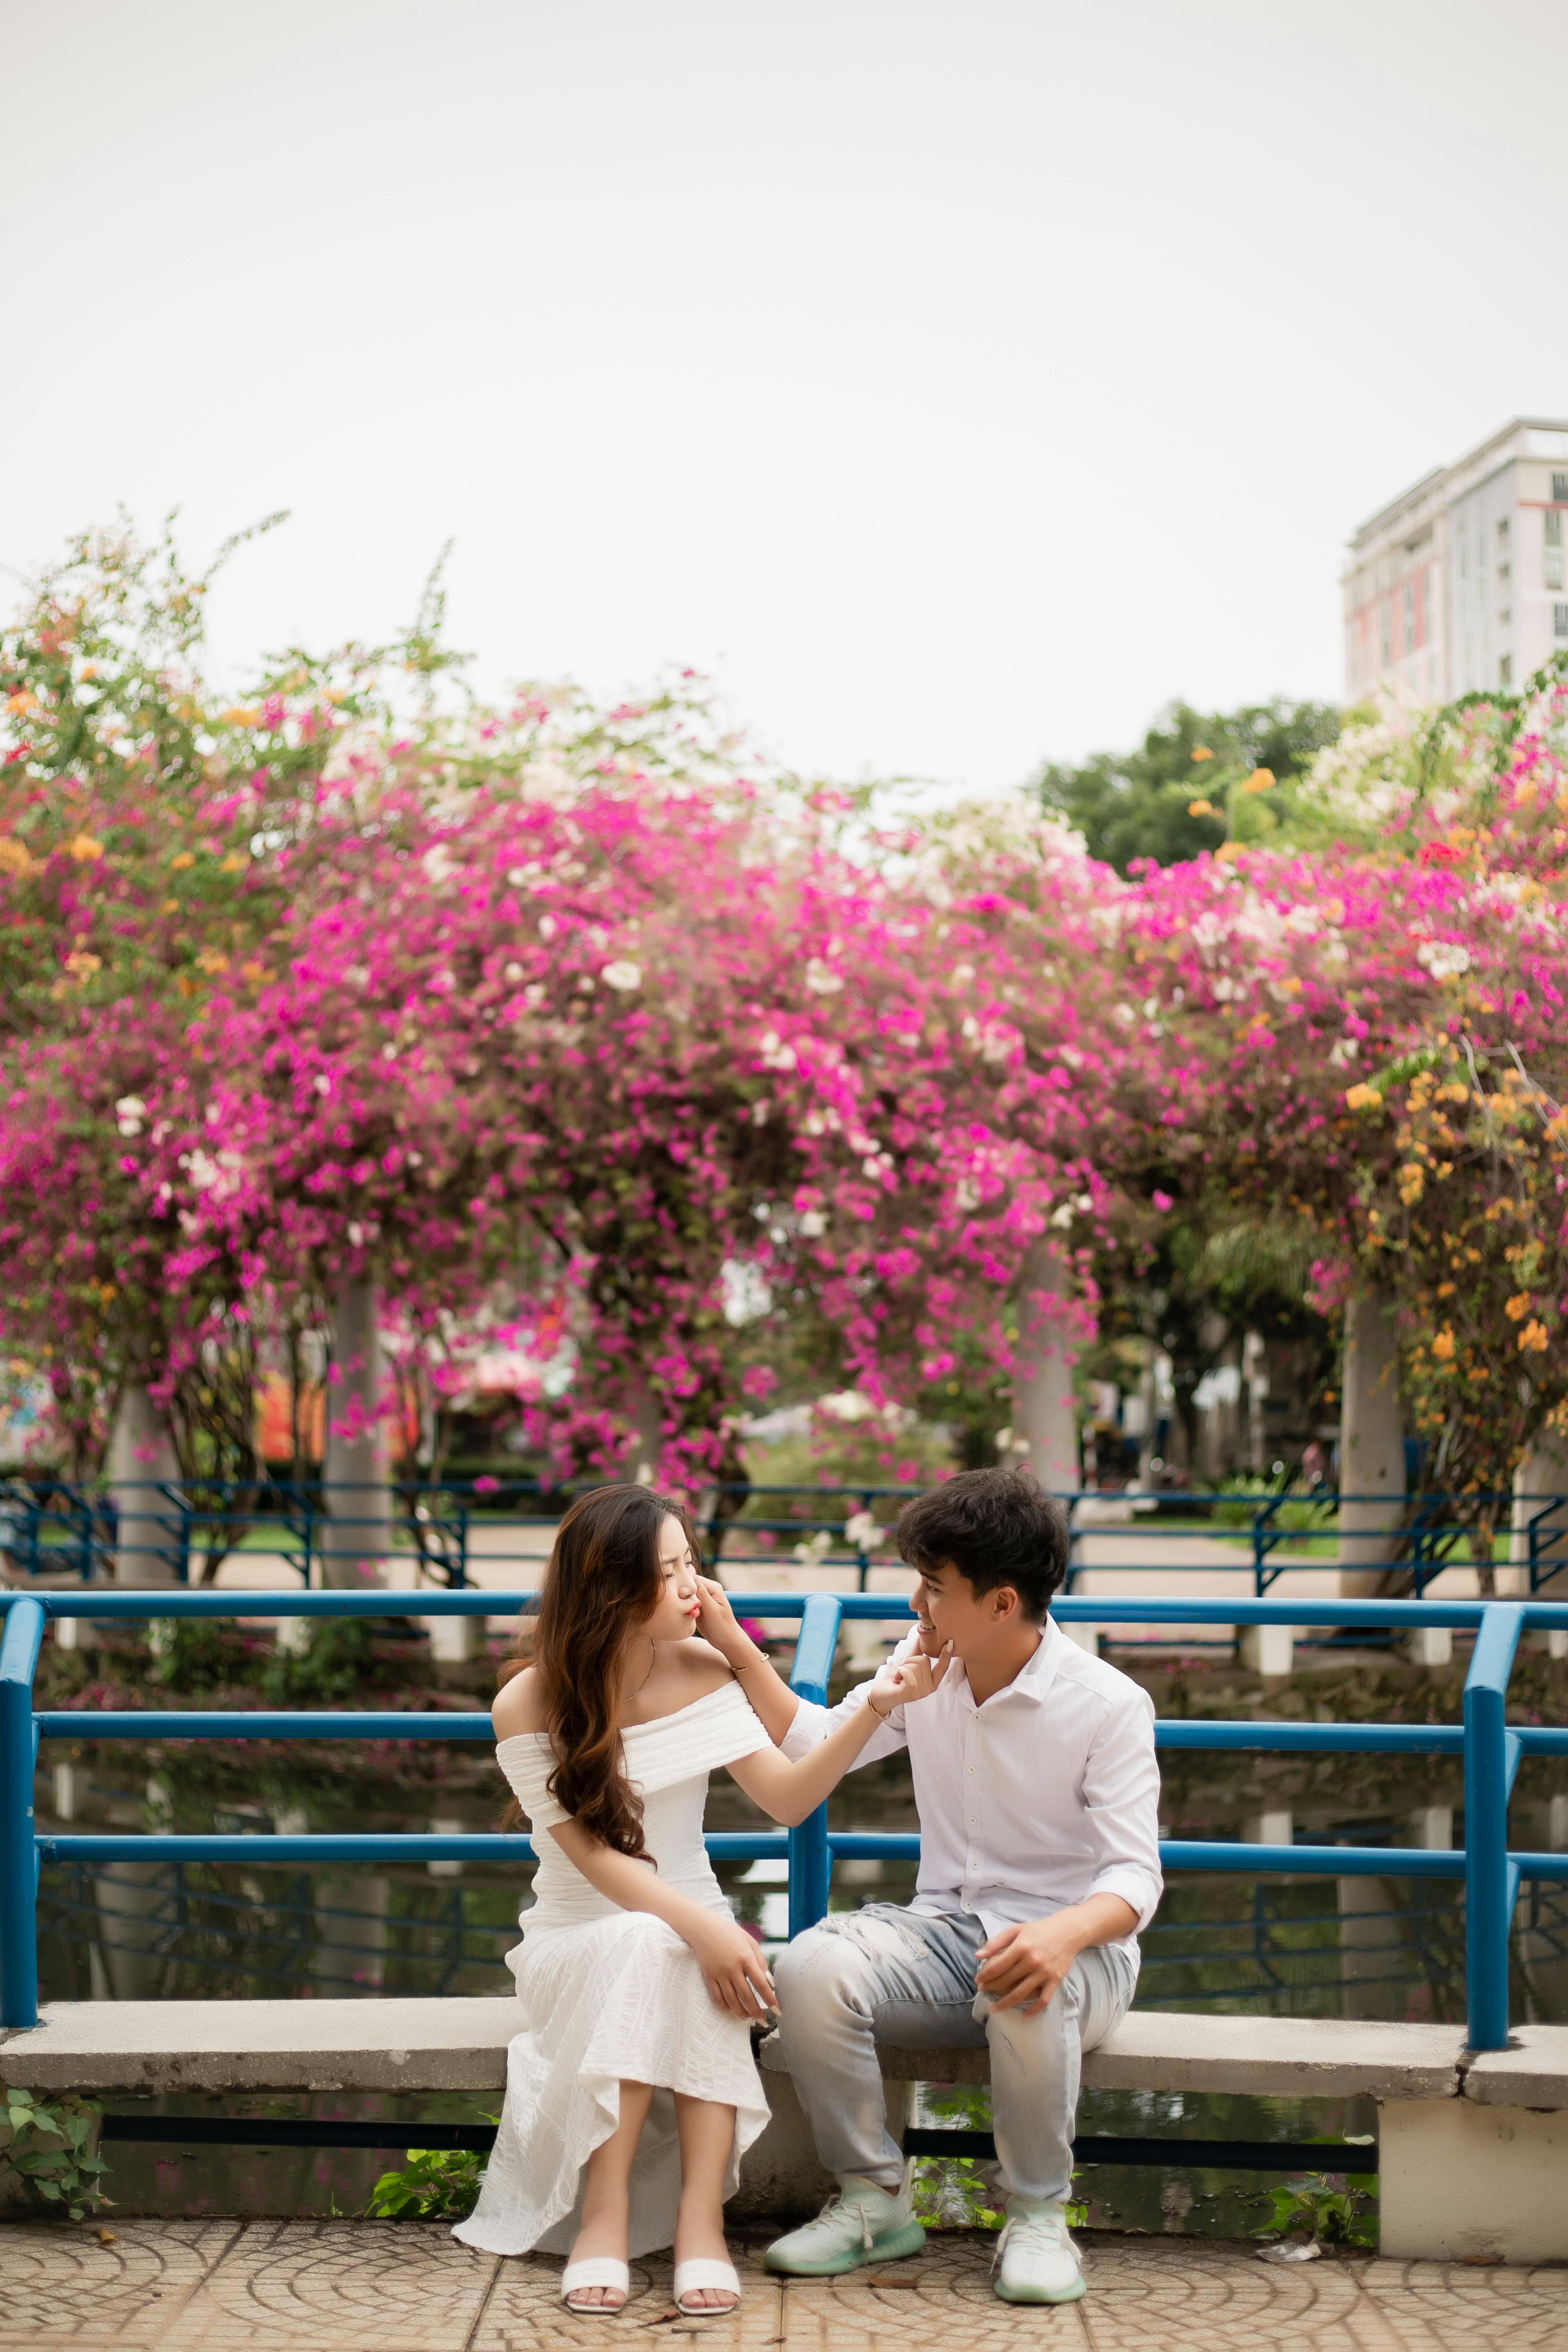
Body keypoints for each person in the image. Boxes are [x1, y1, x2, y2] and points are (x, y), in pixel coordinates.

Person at [452, 1482, 951, 2318]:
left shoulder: (704, 1667)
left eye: (694, 1563)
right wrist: (707, 1933)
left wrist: (876, 1707)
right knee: (671, 1945)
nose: (695, 1587)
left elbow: (789, 1799)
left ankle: (699, 2227)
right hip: (576, 1935)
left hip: (683, 1927)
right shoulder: (526, 1702)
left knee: (684, 1949)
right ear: (610, 1587)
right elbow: (595, 1861)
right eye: (671, 1571)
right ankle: (605, 2220)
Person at [763, 1466, 1162, 2307]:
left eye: (935, 1588)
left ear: (1003, 1604)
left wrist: (1063, 1934)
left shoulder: (1108, 1705)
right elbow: (811, 1744)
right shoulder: (926, 1667)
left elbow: (1134, 1877)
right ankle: (874, 2201)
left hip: (1079, 1955)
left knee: (1027, 1981)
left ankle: (1039, 2214)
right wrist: (741, 1650)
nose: (917, 1605)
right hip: (946, 1934)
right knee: (807, 1966)